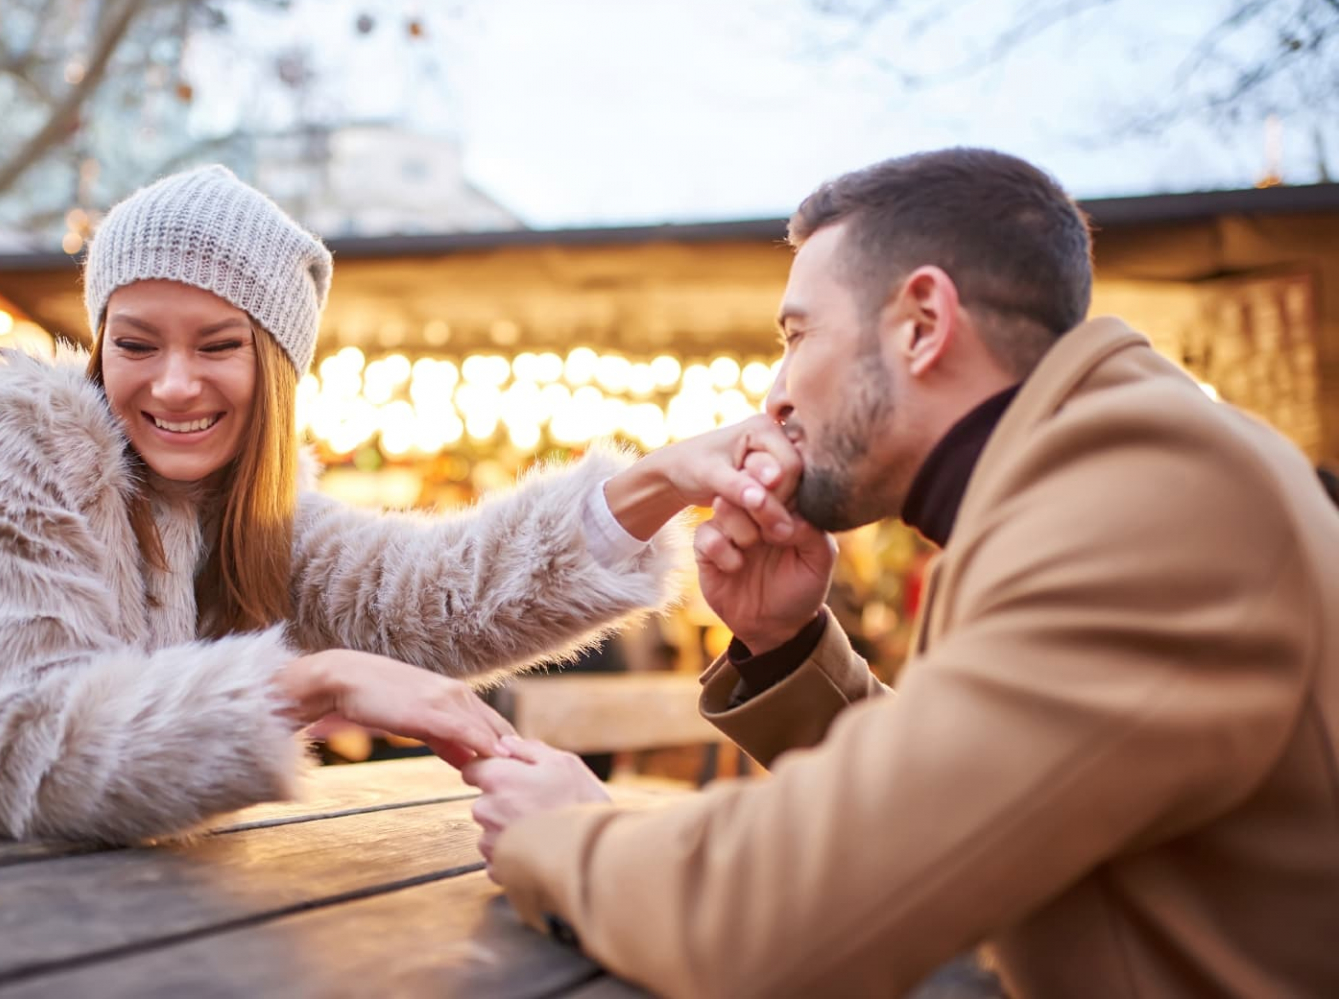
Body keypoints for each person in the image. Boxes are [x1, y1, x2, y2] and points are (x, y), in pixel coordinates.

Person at [464, 148, 1339, 997]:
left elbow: (786, 925)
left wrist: (568, 837)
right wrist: (787, 645)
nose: (775, 394)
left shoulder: (1149, 500)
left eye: (798, 334)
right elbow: (977, 809)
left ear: (923, 324)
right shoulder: (1102, 468)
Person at [0, 165, 799, 844]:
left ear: (274, 367)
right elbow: (15, 751)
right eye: (138, 342)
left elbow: (435, 595)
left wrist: (666, 473)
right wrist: (313, 685)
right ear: (99, 339)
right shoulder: (7, 445)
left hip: (98, 907)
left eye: (218, 344)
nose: (173, 383)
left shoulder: (248, 505)